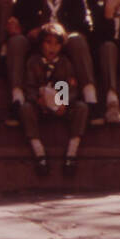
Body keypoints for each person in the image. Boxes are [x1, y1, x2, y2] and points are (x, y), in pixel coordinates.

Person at [5, 0, 98, 126]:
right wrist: (22, 28)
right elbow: (18, 18)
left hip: (64, 42)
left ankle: (91, 99)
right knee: (16, 42)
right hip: (37, 43)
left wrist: (59, 31)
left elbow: (84, 26)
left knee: (78, 40)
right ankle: (17, 100)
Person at [20, 22, 89, 177]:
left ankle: (71, 153)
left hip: (60, 105)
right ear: (41, 44)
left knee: (81, 108)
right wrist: (38, 100)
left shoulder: (65, 63)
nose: (53, 48)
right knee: (25, 109)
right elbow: (29, 87)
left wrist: (64, 103)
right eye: (48, 43)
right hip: (40, 106)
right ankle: (39, 153)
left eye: (57, 44)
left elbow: (70, 88)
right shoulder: (33, 62)